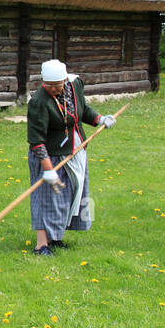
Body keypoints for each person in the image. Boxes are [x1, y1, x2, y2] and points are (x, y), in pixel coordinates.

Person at [26, 59, 114, 256]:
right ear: (43, 82)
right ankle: (41, 246)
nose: (54, 89)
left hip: (74, 151)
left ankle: (54, 238)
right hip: (48, 155)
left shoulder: (74, 85)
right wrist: (47, 169)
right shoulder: (39, 102)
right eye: (49, 85)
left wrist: (100, 119)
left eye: (58, 85)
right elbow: (37, 141)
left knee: (67, 196)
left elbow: (82, 110)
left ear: (65, 80)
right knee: (46, 197)